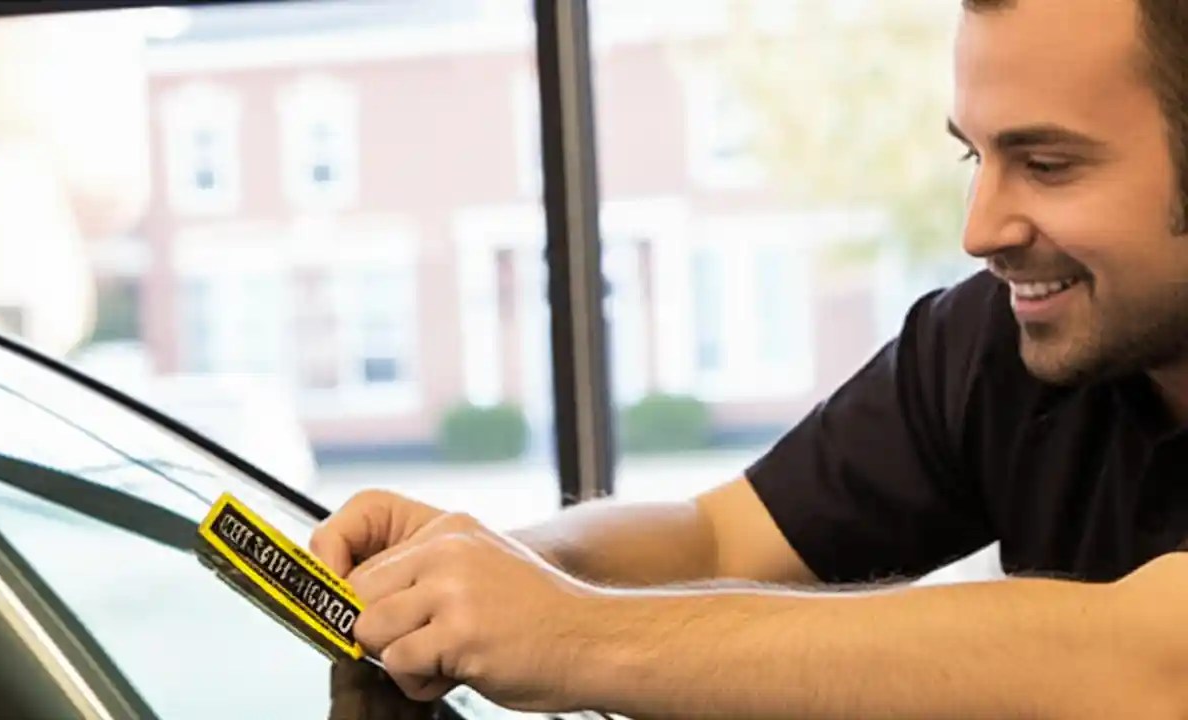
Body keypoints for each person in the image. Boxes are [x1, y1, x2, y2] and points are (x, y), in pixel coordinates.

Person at [309, 0, 1188, 716]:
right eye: (975, 154)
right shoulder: (995, 341)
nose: (979, 229)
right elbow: (724, 535)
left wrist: (575, 635)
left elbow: (1145, 664)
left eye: (1046, 163)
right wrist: (482, 573)